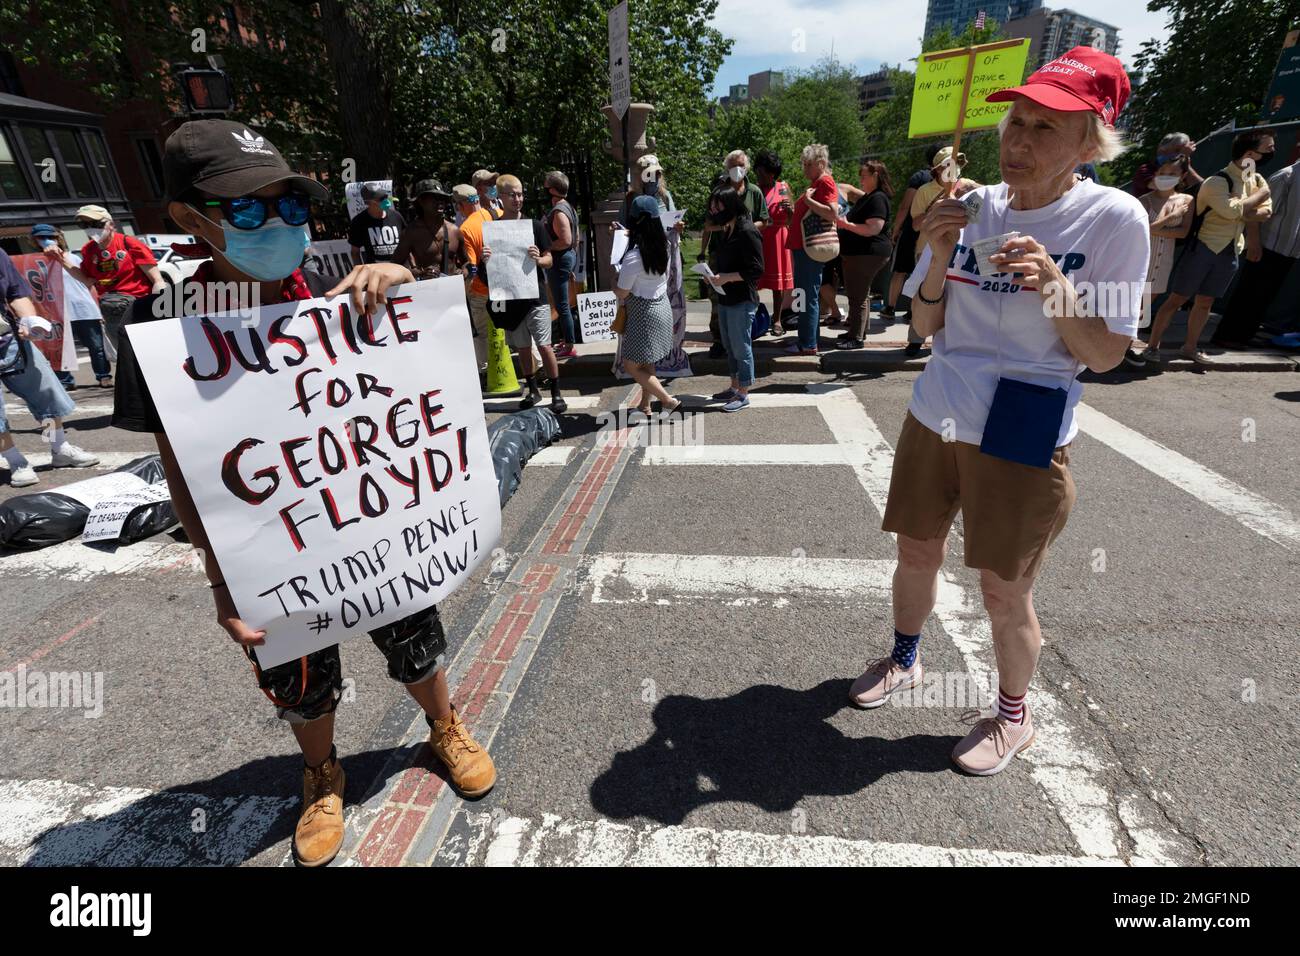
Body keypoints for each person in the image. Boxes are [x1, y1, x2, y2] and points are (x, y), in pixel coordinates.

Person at [110, 119, 496, 867]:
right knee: (297, 676)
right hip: (269, 555)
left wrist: (406, 285)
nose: (279, 223)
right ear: (191, 219)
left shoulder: (327, 293)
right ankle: (322, 774)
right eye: (249, 209)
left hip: (371, 528)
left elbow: (433, 354)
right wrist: (220, 580)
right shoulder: (159, 326)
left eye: (291, 206)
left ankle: (443, 726)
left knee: (414, 636)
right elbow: (182, 469)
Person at [855, 48, 1148, 776]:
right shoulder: (974, 204)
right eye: (1015, 121)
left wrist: (1053, 284)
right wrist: (936, 248)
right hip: (937, 410)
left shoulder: (1114, 217)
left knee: (1002, 589)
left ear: (1090, 142)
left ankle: (1014, 716)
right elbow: (923, 328)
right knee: (915, 552)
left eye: (1045, 128)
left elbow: (1107, 354)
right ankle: (904, 657)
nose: (1019, 141)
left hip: (1025, 421)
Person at [1146, 128, 1274, 365]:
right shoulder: (1218, 181)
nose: (1271, 152)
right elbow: (1230, 211)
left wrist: (1247, 206)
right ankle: (1152, 346)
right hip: (1203, 247)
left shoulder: (1256, 179)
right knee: (1177, 299)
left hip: (1231, 249)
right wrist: (1260, 197)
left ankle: (1190, 347)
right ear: (1249, 153)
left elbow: (1266, 211)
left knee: (1205, 301)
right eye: (1267, 148)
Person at [1, 249, 100, 487]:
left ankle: (59, 448)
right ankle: (15, 461)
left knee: (45, 394)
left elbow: (16, 292)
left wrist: (28, 319)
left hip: (9, 339)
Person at [480, 174, 567, 414]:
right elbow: (484, 273)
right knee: (523, 348)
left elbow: (550, 259)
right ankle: (532, 389)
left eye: (520, 194)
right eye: (512, 194)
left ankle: (556, 392)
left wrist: (539, 259)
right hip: (510, 298)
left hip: (535, 295)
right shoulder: (494, 229)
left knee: (545, 345)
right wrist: (485, 259)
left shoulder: (535, 226)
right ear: (501, 196)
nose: (518, 199)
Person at [1211, 140, 1300, 349]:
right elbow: (1255, 213)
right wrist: (1254, 243)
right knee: (1249, 294)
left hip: (1289, 250)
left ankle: (1243, 336)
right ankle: (1227, 336)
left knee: (1264, 297)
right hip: (1267, 246)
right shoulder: (1286, 176)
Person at [906, 148, 981, 356]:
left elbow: (981, 217)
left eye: (957, 163)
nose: (953, 167)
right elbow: (915, 224)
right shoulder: (924, 191)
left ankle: (952, 341)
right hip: (927, 251)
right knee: (924, 292)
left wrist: (972, 189)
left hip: (960, 252)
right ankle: (915, 339)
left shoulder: (969, 188)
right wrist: (936, 211)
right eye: (948, 164)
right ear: (938, 169)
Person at [1123, 156, 1193, 368]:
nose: (1166, 177)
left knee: (1145, 307)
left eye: (1172, 174)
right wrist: (1171, 219)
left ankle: (1127, 348)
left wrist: (1159, 227)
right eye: (1163, 173)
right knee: (1131, 304)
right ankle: (1121, 347)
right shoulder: (1144, 200)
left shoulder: (1187, 200)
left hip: (1163, 261)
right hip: (1141, 259)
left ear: (1182, 176)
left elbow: (1182, 233)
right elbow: (1145, 229)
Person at [614, 196, 681, 417]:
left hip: (642, 313)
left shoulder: (634, 257)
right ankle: (645, 404)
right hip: (662, 307)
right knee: (647, 360)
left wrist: (616, 286)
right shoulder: (663, 246)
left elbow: (623, 291)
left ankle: (667, 399)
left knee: (631, 364)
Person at [701, 151, 768, 354]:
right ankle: (719, 339)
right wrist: (723, 230)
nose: (736, 170)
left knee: (744, 295)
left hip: (744, 252)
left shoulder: (754, 192)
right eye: (732, 166)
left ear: (746, 166)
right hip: (721, 252)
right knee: (717, 295)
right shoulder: (719, 192)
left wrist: (742, 227)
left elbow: (764, 221)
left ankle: (744, 337)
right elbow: (707, 225)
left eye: (740, 165)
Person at [704, 187, 764, 412]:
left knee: (741, 346)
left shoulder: (747, 230)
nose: (713, 211)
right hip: (727, 298)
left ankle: (744, 393)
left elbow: (757, 269)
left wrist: (727, 277)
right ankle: (734, 386)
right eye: (711, 207)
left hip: (742, 299)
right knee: (730, 345)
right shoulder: (727, 229)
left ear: (729, 205)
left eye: (716, 207)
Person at [32, 223, 113, 388]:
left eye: (51, 237)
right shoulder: (35, 263)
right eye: (41, 237)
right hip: (56, 313)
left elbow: (90, 284)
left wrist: (99, 309)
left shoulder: (73, 258)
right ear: (34, 241)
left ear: (58, 238)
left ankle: (103, 376)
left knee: (96, 347)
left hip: (84, 310)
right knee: (59, 350)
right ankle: (65, 380)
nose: (47, 240)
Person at [74, 204, 165, 350]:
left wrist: (159, 310)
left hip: (140, 310)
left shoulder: (128, 243)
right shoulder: (88, 250)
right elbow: (88, 280)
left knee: (153, 351)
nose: (91, 228)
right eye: (84, 224)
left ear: (110, 224)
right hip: (112, 314)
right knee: (127, 358)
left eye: (96, 223)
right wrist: (61, 260)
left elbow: (157, 280)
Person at [833, 160, 894, 350]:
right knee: (861, 295)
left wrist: (845, 225)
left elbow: (873, 228)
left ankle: (856, 338)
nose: (860, 180)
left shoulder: (878, 198)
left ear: (875, 176)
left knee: (857, 296)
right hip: (861, 253)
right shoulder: (870, 197)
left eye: (864, 176)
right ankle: (858, 331)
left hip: (867, 254)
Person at [786, 144, 839, 355]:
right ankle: (807, 339)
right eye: (804, 164)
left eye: (808, 165)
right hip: (804, 249)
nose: (804, 169)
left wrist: (807, 200)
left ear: (821, 164)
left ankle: (807, 343)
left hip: (809, 250)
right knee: (804, 295)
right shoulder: (818, 183)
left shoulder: (825, 182)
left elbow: (832, 213)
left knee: (807, 296)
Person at [883, 144, 943, 323]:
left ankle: (890, 307)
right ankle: (913, 309)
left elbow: (905, 206)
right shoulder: (953, 182)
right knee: (926, 270)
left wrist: (895, 229)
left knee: (900, 269)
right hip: (933, 230)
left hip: (912, 229)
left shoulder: (919, 177)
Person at [456, 183, 497, 374]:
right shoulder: (493, 215)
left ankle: (485, 372)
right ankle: (537, 367)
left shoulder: (465, 229)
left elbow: (471, 268)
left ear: (460, 205)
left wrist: (466, 292)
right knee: (513, 327)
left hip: (481, 290)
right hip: (504, 286)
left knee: (482, 333)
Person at [753, 151, 794, 334]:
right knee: (753, 281)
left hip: (778, 238)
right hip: (758, 238)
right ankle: (753, 316)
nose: (761, 176)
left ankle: (777, 320)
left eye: (764, 173)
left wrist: (791, 210)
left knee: (778, 284)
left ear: (773, 173)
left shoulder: (783, 187)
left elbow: (792, 219)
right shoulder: (754, 190)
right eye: (758, 172)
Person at [542, 170, 579, 358]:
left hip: (560, 261)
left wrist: (546, 247)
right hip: (566, 259)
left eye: (547, 187)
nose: (544, 190)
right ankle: (567, 340)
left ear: (553, 190)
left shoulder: (558, 211)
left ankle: (570, 345)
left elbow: (565, 240)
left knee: (562, 305)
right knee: (563, 304)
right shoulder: (568, 206)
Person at [392, 178, 460, 279]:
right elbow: (394, 266)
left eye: (442, 197)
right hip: (427, 291)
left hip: (454, 290)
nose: (440, 201)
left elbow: (467, 263)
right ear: (421, 201)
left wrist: (465, 271)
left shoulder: (454, 231)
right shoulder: (411, 232)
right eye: (434, 197)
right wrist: (420, 273)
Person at [348, 182, 405, 265]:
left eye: (385, 196)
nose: (385, 200)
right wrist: (361, 273)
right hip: (377, 272)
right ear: (368, 202)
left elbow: (406, 243)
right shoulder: (359, 222)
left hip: (400, 269)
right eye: (381, 198)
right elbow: (355, 252)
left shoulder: (396, 216)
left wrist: (413, 266)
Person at [1131, 131, 1204, 197]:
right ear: (1162, 150)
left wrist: (1186, 164)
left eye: (1183, 151)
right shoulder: (1145, 170)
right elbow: (1162, 186)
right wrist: (1183, 156)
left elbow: (1203, 188)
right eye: (1177, 150)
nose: (1180, 155)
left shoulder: (1182, 169)